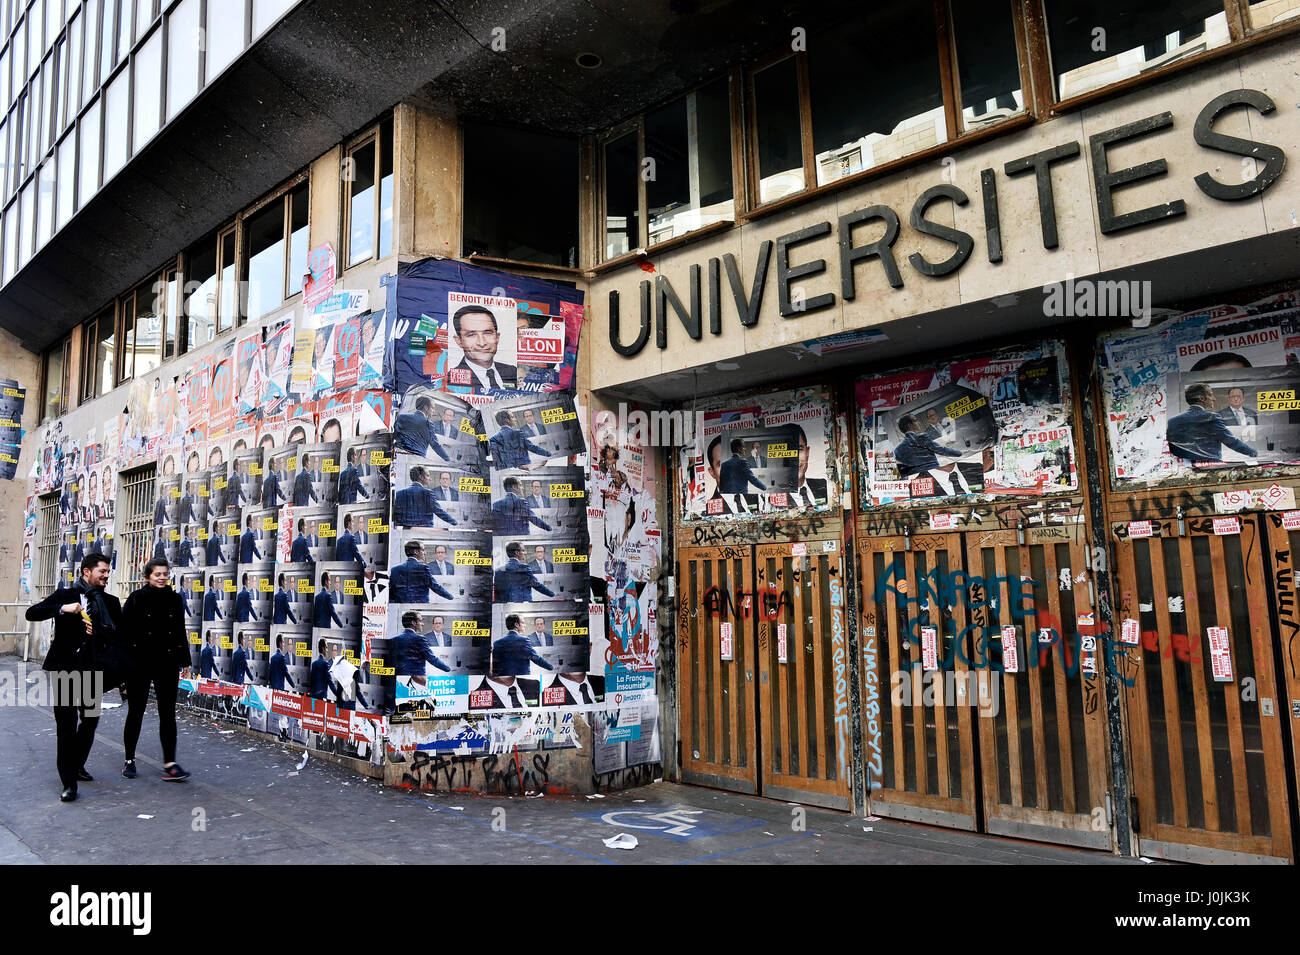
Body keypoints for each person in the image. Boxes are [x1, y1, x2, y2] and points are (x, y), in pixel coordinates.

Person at [26, 552, 124, 802]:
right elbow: (32, 613)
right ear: (86, 572)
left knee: (89, 722)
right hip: (66, 669)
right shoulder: (65, 595)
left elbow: (119, 638)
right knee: (66, 726)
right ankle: (68, 782)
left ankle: (77, 764)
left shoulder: (110, 602)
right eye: (102, 571)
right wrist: (62, 609)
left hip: (94, 670)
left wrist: (98, 630)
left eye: (107, 571)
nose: (106, 575)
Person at [120, 558, 191, 781]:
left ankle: (170, 764)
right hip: (139, 662)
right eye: (157, 574)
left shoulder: (175, 599)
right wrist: (123, 666)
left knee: (168, 714)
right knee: (136, 711)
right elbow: (124, 634)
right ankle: (129, 760)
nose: (161, 578)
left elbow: (180, 631)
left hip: (167, 662)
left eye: (164, 574)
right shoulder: (136, 598)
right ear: (147, 576)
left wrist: (185, 662)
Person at [1167, 383, 1258, 463]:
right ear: (1202, 398)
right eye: (1211, 395)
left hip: (1184, 466)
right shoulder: (1211, 417)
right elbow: (1230, 441)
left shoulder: (1172, 421)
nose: (1214, 399)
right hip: (1209, 466)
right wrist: (1253, 452)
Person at [892, 413, 969, 494]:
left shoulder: (898, 449)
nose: (919, 422)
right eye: (916, 420)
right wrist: (960, 453)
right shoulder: (922, 438)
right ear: (910, 425)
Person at [451, 305, 516, 392]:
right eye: (471, 335)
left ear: (497, 337)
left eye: (488, 333)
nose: (482, 343)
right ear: (459, 341)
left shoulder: (513, 372)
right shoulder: (450, 380)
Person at [394, 466, 459, 527]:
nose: (430, 478)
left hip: (405, 529)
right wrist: (455, 522)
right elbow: (439, 511)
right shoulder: (428, 493)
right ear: (421, 477)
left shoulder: (399, 493)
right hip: (424, 529)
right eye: (427, 475)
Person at [390, 611, 451, 675]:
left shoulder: (393, 640)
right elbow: (432, 659)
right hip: (417, 678)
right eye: (420, 621)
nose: (422, 624)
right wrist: (448, 669)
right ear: (413, 623)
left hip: (398, 678)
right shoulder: (420, 639)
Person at [793, 424, 829, 507]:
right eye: (786, 452)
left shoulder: (823, 485)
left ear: (807, 452)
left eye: (799, 449)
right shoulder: (772, 499)